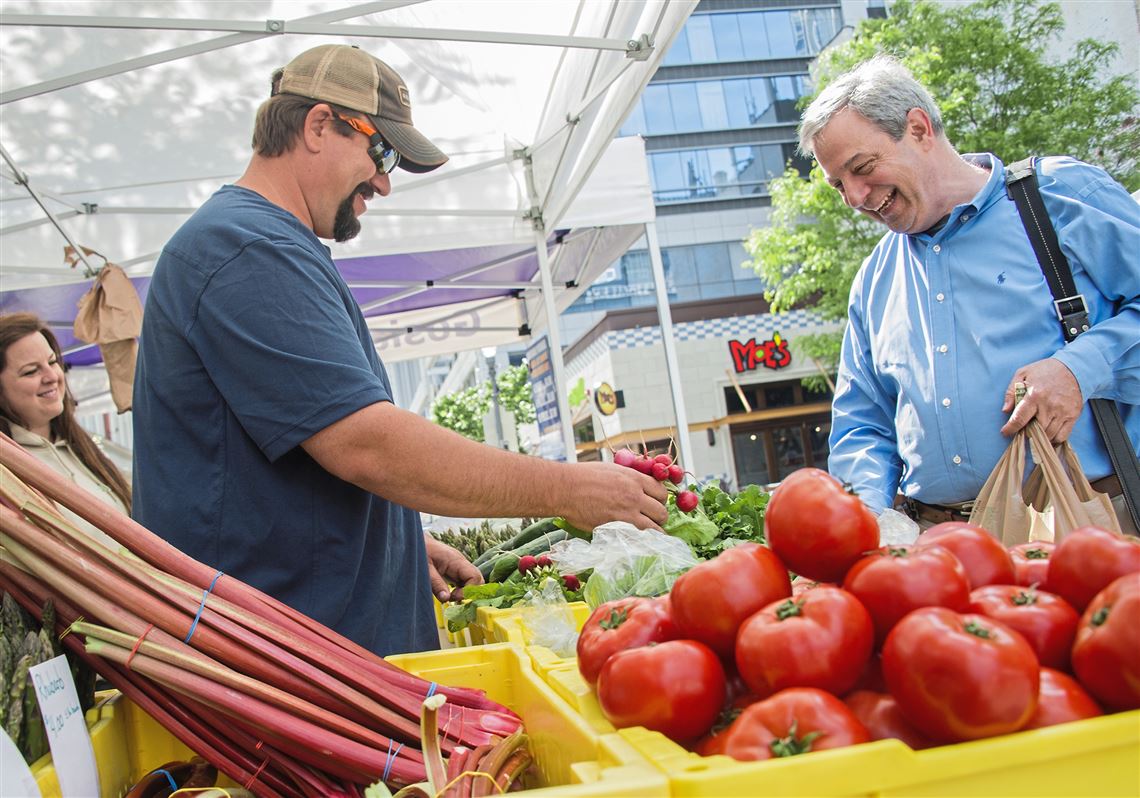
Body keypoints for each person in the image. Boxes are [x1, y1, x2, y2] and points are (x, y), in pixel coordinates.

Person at [131, 44, 669, 657]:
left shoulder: (261, 244)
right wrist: (568, 489)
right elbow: (364, 442)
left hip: (317, 659)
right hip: (296, 680)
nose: (384, 182)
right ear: (317, 125)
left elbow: (294, 457)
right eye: (380, 151)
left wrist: (394, 544)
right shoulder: (246, 250)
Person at [797, 55, 1139, 533]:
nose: (855, 197)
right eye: (839, 185)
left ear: (918, 128)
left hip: (1086, 527)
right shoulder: (874, 279)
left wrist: (1079, 369)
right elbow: (863, 425)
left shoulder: (1057, 197)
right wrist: (867, 518)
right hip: (939, 549)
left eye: (863, 167)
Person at [1, 312, 132, 547]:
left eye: (52, 362)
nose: (51, 376)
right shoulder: (7, 476)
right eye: (31, 371)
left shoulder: (84, 451)